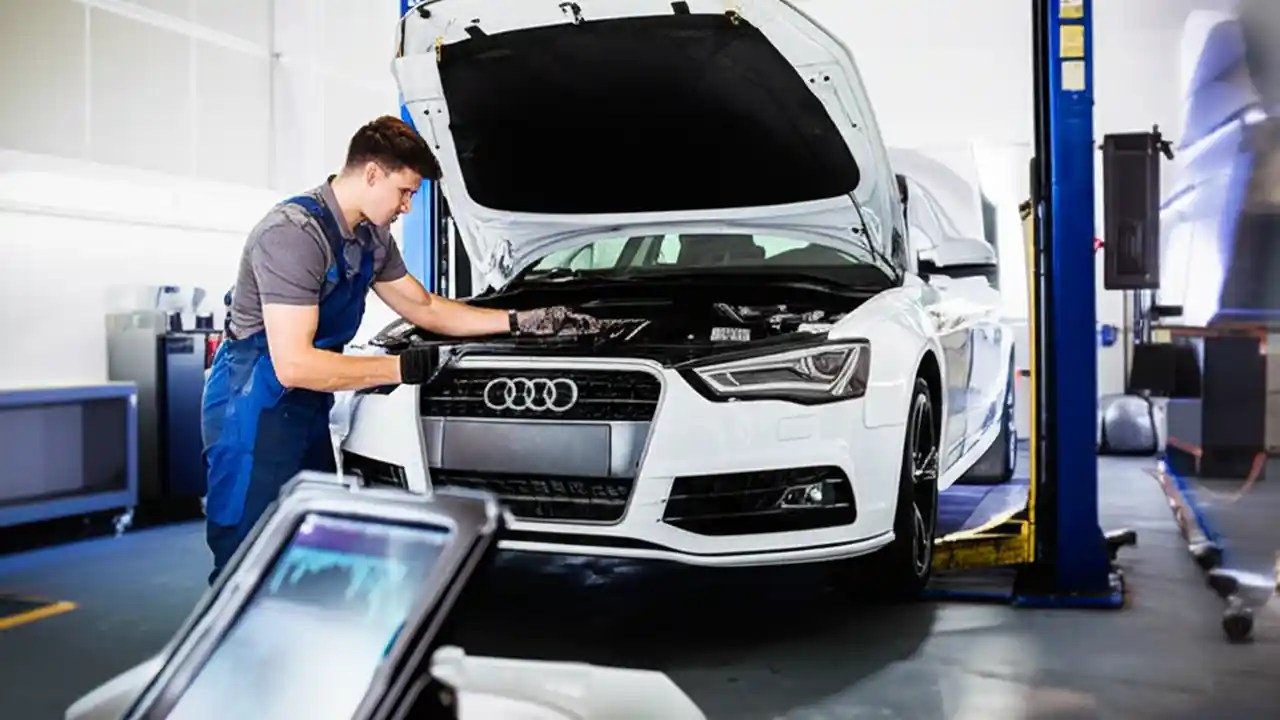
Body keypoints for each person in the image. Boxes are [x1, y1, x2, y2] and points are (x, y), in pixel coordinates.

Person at [201, 115, 599, 581]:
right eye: (405, 192)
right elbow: (293, 363)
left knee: (311, 543)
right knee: (248, 555)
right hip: (252, 402)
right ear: (371, 173)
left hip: (304, 405)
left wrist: (520, 321)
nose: (409, 206)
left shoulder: (371, 239)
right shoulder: (292, 235)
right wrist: (401, 368)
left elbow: (426, 307)